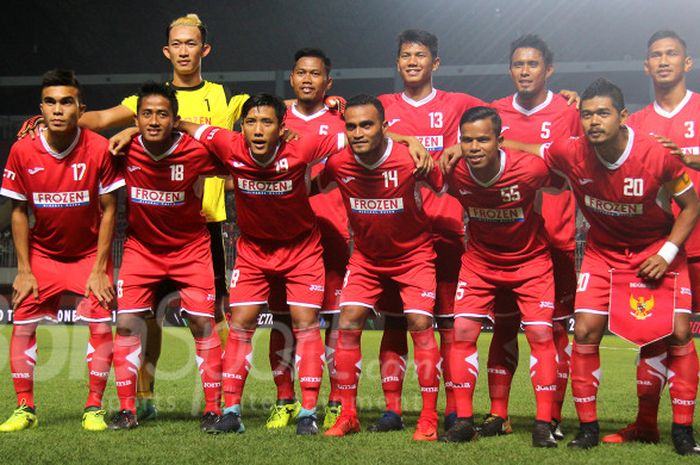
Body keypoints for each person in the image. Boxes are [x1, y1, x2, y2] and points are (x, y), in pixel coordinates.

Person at [508, 78, 700, 455]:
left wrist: (665, 253)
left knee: (679, 336)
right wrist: (485, 146)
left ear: (623, 116)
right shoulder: (569, 150)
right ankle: (589, 428)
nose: (594, 121)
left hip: (655, 252)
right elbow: (530, 148)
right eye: (587, 114)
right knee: (585, 331)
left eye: (603, 113)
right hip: (603, 253)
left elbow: (692, 206)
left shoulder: (656, 154)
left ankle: (682, 432)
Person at [371, 29, 487, 432]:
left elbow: (505, 117)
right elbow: (348, 124)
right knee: (395, 322)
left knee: (448, 323)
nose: (413, 61)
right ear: (398, 62)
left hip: (447, 230)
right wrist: (405, 137)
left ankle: (456, 406)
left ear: (435, 63)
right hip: (397, 237)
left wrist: (565, 101)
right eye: (406, 55)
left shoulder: (459, 104)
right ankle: (391, 410)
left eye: (421, 55)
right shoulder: (383, 107)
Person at [0, 69, 124, 432]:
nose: (58, 109)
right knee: (22, 326)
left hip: (88, 257)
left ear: (80, 108)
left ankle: (93, 407)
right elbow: (19, 211)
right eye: (51, 102)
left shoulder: (98, 148)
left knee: (101, 326)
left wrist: (100, 267)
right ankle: (24, 407)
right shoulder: (22, 150)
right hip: (42, 256)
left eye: (66, 102)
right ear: (41, 108)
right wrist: (24, 269)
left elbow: (110, 208)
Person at [317, 95, 443, 441]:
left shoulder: (409, 159)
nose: (358, 133)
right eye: (352, 126)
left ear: (385, 128)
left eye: (367, 125)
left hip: (414, 257)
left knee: (419, 323)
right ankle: (349, 414)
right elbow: (312, 187)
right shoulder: (339, 163)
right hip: (367, 260)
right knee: (349, 321)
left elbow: (445, 184)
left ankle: (429, 417)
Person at [440, 106, 561, 447]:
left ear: (500, 141)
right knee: (462, 331)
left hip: (530, 262)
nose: (474, 147)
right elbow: (419, 171)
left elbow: (564, 181)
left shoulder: (529, 169)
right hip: (479, 262)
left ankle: (541, 424)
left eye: (483, 139)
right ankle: (463, 421)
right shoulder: (455, 172)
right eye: (467, 140)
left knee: (540, 334)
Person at [108, 82, 226, 432]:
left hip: (191, 250)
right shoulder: (123, 149)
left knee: (202, 324)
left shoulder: (194, 150)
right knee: (128, 325)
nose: (154, 120)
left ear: (175, 119)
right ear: (138, 118)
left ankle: (214, 409)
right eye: (146, 114)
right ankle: (129, 409)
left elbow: (237, 158)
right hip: (141, 251)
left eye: (162, 114)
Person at [602, 31, 700, 450]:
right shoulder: (635, 123)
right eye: (655, 55)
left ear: (687, 62)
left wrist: (690, 157)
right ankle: (648, 423)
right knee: (659, 334)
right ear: (646, 66)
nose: (663, 61)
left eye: (671, 54)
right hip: (664, 249)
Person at [486, 34, 581, 438]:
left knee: (554, 331)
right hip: (505, 242)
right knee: (504, 326)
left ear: (549, 70)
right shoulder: (494, 112)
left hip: (555, 240)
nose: (525, 71)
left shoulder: (569, 111)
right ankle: (498, 414)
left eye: (533, 64)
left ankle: (553, 416)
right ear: (511, 69)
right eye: (518, 64)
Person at [264, 48, 348, 430]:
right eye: (301, 73)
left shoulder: (341, 120)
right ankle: (285, 399)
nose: (308, 79)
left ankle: (334, 399)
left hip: (332, 232)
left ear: (328, 82)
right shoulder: (274, 118)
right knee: (282, 321)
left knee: (332, 323)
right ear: (292, 78)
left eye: (316, 74)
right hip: (282, 236)